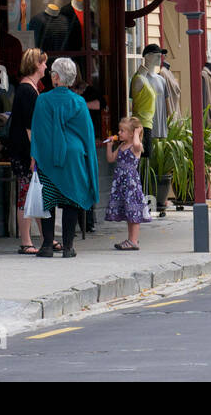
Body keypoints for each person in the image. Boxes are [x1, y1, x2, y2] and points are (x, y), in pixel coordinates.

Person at [29, 57, 99, 258]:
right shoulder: (78, 101)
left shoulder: (43, 99)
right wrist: (89, 160)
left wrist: (35, 156)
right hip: (74, 157)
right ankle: (68, 247)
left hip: (49, 157)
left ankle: (47, 246)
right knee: (71, 200)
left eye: (52, 73)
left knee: (49, 201)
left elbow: (39, 132)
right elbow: (87, 133)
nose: (51, 76)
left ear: (57, 77)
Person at [8, 49, 55, 255]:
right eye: (43, 63)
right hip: (25, 151)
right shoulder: (27, 90)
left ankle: (46, 238)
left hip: (27, 150)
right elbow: (29, 127)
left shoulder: (31, 88)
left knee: (36, 193)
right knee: (27, 194)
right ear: (36, 64)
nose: (46, 66)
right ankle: (26, 241)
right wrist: (34, 155)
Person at [103, 116, 150, 250]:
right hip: (121, 183)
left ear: (131, 133)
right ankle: (131, 239)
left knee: (133, 211)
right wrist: (109, 146)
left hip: (131, 184)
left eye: (122, 131)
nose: (119, 133)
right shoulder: (122, 146)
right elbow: (111, 158)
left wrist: (137, 133)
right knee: (129, 212)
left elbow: (136, 144)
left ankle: (133, 241)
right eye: (119, 130)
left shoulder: (136, 146)